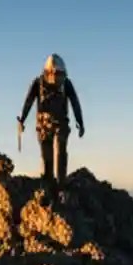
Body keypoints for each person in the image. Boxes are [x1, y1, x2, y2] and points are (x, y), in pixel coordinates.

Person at [17, 53, 84, 184]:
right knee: (47, 156)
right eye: (56, 74)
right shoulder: (38, 83)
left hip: (61, 123)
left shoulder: (66, 84)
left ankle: (61, 183)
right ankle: (49, 184)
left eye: (60, 74)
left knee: (61, 150)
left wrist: (80, 122)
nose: (58, 78)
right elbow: (29, 101)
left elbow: (75, 103)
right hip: (43, 125)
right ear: (49, 72)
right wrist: (22, 120)